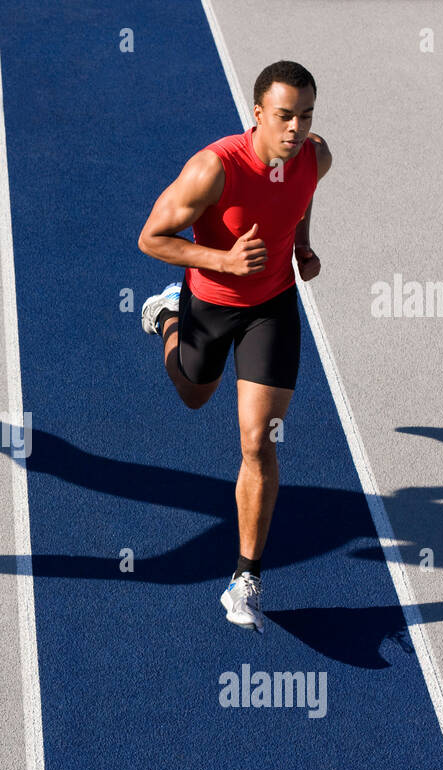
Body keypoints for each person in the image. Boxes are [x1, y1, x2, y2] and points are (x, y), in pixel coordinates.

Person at [137, 60, 332, 632]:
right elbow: (151, 237)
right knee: (194, 394)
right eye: (284, 116)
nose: (295, 129)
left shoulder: (315, 156)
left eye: (305, 116)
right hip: (211, 301)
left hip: (271, 308)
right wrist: (221, 260)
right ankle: (169, 313)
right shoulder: (214, 168)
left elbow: (302, 194)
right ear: (257, 114)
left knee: (258, 444)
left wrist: (301, 245)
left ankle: (245, 579)